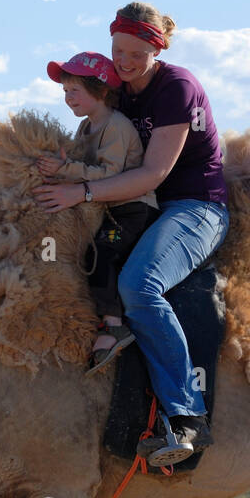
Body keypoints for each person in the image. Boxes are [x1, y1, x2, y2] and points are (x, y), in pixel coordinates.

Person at [33, 1, 230, 466]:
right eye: (117, 49)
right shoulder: (119, 90)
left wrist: (80, 191)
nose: (123, 60)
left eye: (136, 52)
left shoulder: (175, 87)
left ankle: (187, 417)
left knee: (139, 285)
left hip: (193, 207)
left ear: (156, 48)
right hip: (138, 207)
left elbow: (153, 174)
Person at [36, 52, 160, 374]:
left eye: (75, 91)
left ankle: (114, 324)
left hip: (132, 208)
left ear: (101, 91)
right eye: (65, 92)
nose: (68, 98)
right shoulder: (84, 128)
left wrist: (67, 168)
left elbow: (108, 174)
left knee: (103, 252)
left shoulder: (115, 126)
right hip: (106, 206)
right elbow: (82, 166)